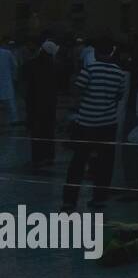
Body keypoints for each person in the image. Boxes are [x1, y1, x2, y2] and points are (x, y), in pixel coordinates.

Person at [62, 38, 128, 211]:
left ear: (96, 53)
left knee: (78, 162)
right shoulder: (118, 72)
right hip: (108, 124)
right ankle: (99, 199)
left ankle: (70, 201)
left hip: (86, 123)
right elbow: (119, 96)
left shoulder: (89, 69)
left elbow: (77, 91)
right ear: (111, 52)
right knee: (105, 163)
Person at [22, 40, 60, 171]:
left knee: (36, 132)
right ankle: (49, 157)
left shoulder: (31, 64)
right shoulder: (54, 66)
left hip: (34, 104)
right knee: (49, 131)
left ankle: (37, 159)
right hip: (49, 104)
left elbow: (27, 86)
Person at [0, 41, 20, 126]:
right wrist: (14, 76)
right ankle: (13, 119)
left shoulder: (7, 53)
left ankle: (13, 119)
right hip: (7, 80)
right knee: (10, 102)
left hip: (6, 80)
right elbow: (15, 65)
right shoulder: (7, 53)